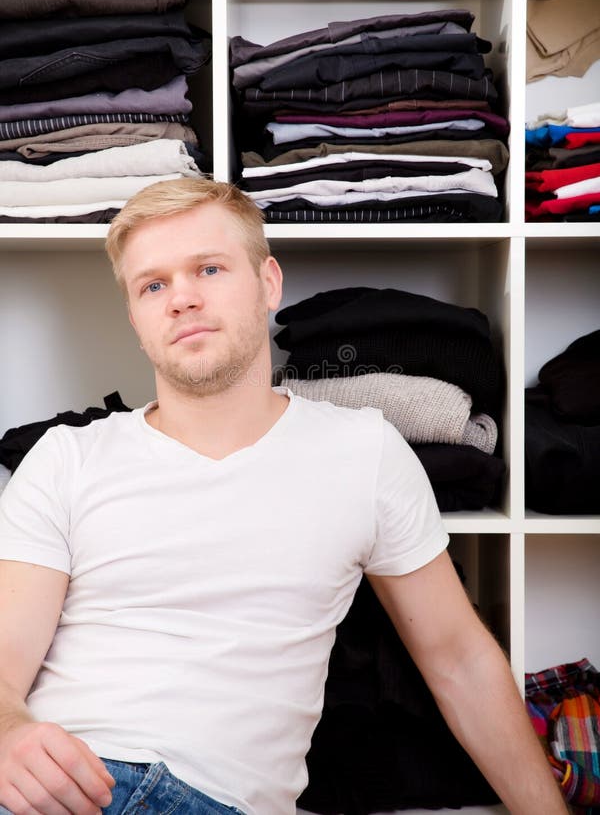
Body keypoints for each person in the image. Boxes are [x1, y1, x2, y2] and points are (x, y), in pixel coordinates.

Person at [0, 178, 568, 815]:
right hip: (57, 787)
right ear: (135, 317)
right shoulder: (67, 458)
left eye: (208, 269)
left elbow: (459, 660)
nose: (181, 298)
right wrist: (8, 733)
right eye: (152, 285)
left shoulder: (365, 452)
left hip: (210, 800)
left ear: (268, 282)